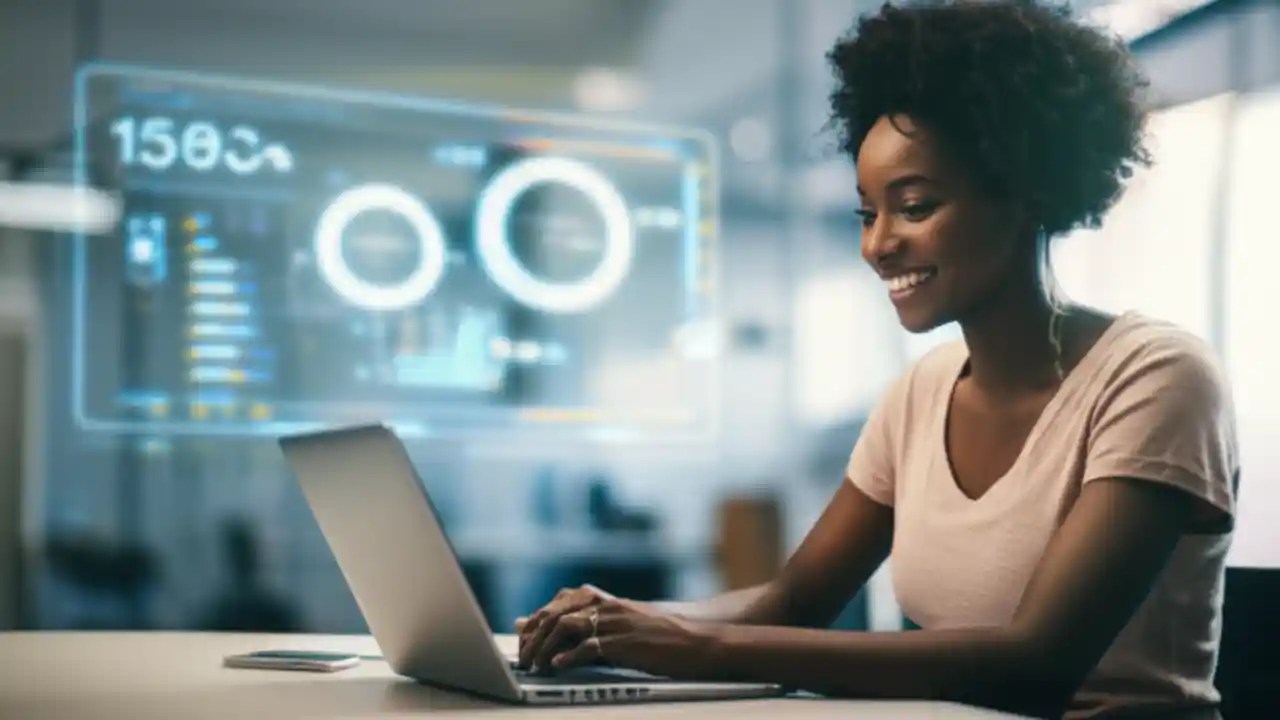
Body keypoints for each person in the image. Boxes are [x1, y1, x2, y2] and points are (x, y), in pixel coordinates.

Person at [515, 1, 1238, 718]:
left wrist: (693, 647)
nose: (877, 244)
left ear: (1027, 196)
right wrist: (618, 621)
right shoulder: (919, 395)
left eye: (914, 206)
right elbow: (792, 602)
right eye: (867, 212)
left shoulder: (1158, 379)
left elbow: (1033, 664)